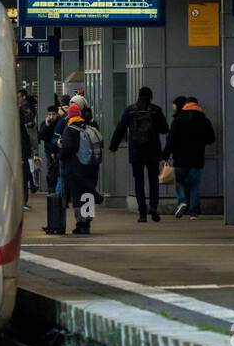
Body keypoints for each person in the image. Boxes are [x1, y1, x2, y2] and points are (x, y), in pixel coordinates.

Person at [108, 86, 170, 223]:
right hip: (153, 151)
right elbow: (165, 129)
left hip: (136, 151)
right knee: (154, 180)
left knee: (139, 182)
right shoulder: (155, 110)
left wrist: (113, 147)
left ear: (138, 96)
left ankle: (142, 213)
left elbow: (120, 128)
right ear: (151, 97)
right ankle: (153, 206)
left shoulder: (130, 110)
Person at [162, 97, 216, 219]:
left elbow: (171, 140)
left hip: (180, 158)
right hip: (197, 159)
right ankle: (193, 213)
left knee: (179, 182)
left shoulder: (178, 120)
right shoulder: (204, 120)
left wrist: (165, 155)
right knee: (194, 185)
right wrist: (200, 141)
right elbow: (211, 138)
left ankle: (182, 201)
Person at [58, 102, 103, 235]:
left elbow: (67, 148)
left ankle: (81, 224)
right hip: (92, 166)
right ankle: (87, 223)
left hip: (76, 167)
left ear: (69, 116)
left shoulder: (70, 129)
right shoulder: (89, 127)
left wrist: (60, 152)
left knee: (78, 195)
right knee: (88, 193)